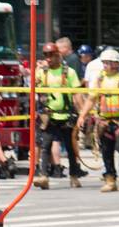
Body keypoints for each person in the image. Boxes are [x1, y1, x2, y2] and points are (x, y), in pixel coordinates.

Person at [79, 48, 119, 192]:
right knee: (106, 151)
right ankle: (110, 179)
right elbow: (91, 98)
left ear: (116, 64)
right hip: (104, 121)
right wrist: (83, 115)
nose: (105, 65)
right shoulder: (100, 78)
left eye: (107, 63)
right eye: (104, 63)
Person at [35, 41, 85, 190]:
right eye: (46, 55)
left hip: (66, 117)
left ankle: (74, 176)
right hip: (48, 117)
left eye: (51, 55)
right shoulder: (41, 72)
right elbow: (35, 91)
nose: (48, 58)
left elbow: (77, 94)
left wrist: (83, 113)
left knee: (71, 148)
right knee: (45, 146)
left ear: (58, 55)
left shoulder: (68, 72)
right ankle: (43, 176)